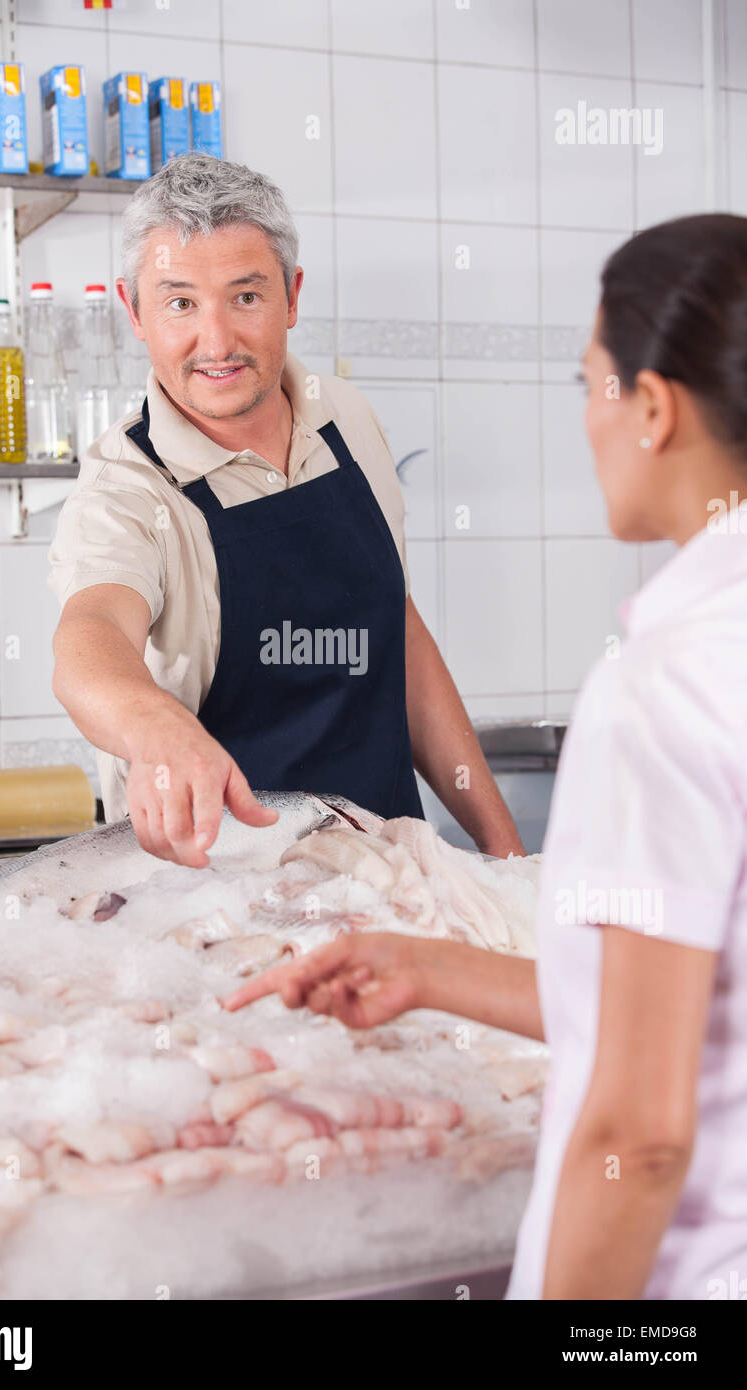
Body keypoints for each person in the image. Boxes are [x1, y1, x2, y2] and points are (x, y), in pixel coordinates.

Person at [224, 213, 747, 1301]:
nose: (587, 421)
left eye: (587, 383)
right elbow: (686, 1004)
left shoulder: (665, 684)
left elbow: (638, 1131)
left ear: (650, 408)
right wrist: (428, 967)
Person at [49, 154, 522, 867]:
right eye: (180, 302)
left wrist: (505, 852)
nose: (216, 344)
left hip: (390, 879)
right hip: (220, 909)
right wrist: (153, 727)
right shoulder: (126, 487)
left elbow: (398, 631)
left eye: (245, 297)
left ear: (292, 297)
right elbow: (89, 644)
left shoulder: (346, 420)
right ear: (135, 311)